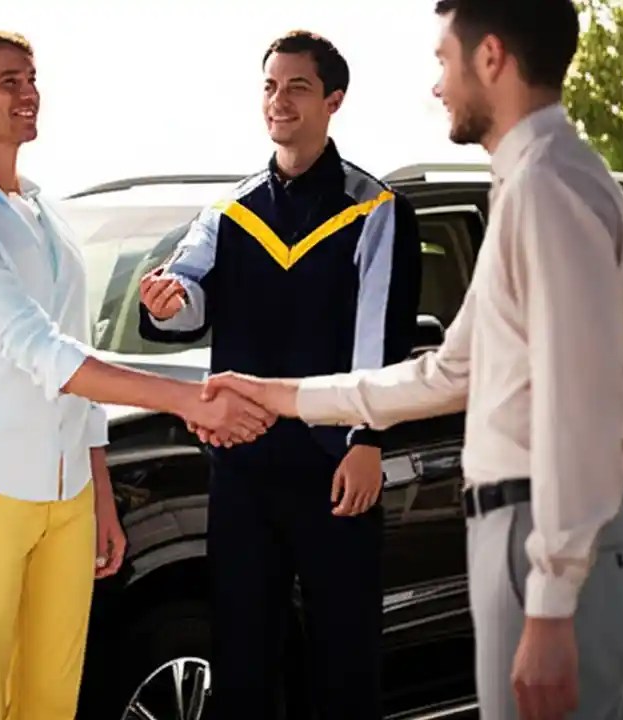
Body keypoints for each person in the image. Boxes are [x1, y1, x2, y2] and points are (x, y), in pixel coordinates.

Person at [201, 2, 623, 718]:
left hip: (548, 534)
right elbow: (451, 373)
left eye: (445, 61)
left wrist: (549, 599)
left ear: (492, 59)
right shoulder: (534, 184)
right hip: (529, 533)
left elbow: (581, 408)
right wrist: (281, 395)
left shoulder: (547, 191)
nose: (438, 87)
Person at [0, 30, 273, 720]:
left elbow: (79, 347)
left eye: (32, 78)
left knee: (53, 697)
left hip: (68, 493)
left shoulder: (45, 212)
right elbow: (41, 350)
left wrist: (99, 492)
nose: (29, 93)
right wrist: (189, 398)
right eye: (9, 81)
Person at [137, 30, 423, 719]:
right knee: (242, 655)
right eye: (270, 86)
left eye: (297, 86)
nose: (279, 100)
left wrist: (365, 441)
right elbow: (188, 295)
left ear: (334, 100)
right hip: (243, 466)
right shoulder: (229, 212)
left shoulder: (374, 211)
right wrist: (166, 302)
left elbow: (376, 338)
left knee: (342, 657)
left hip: (333, 468)